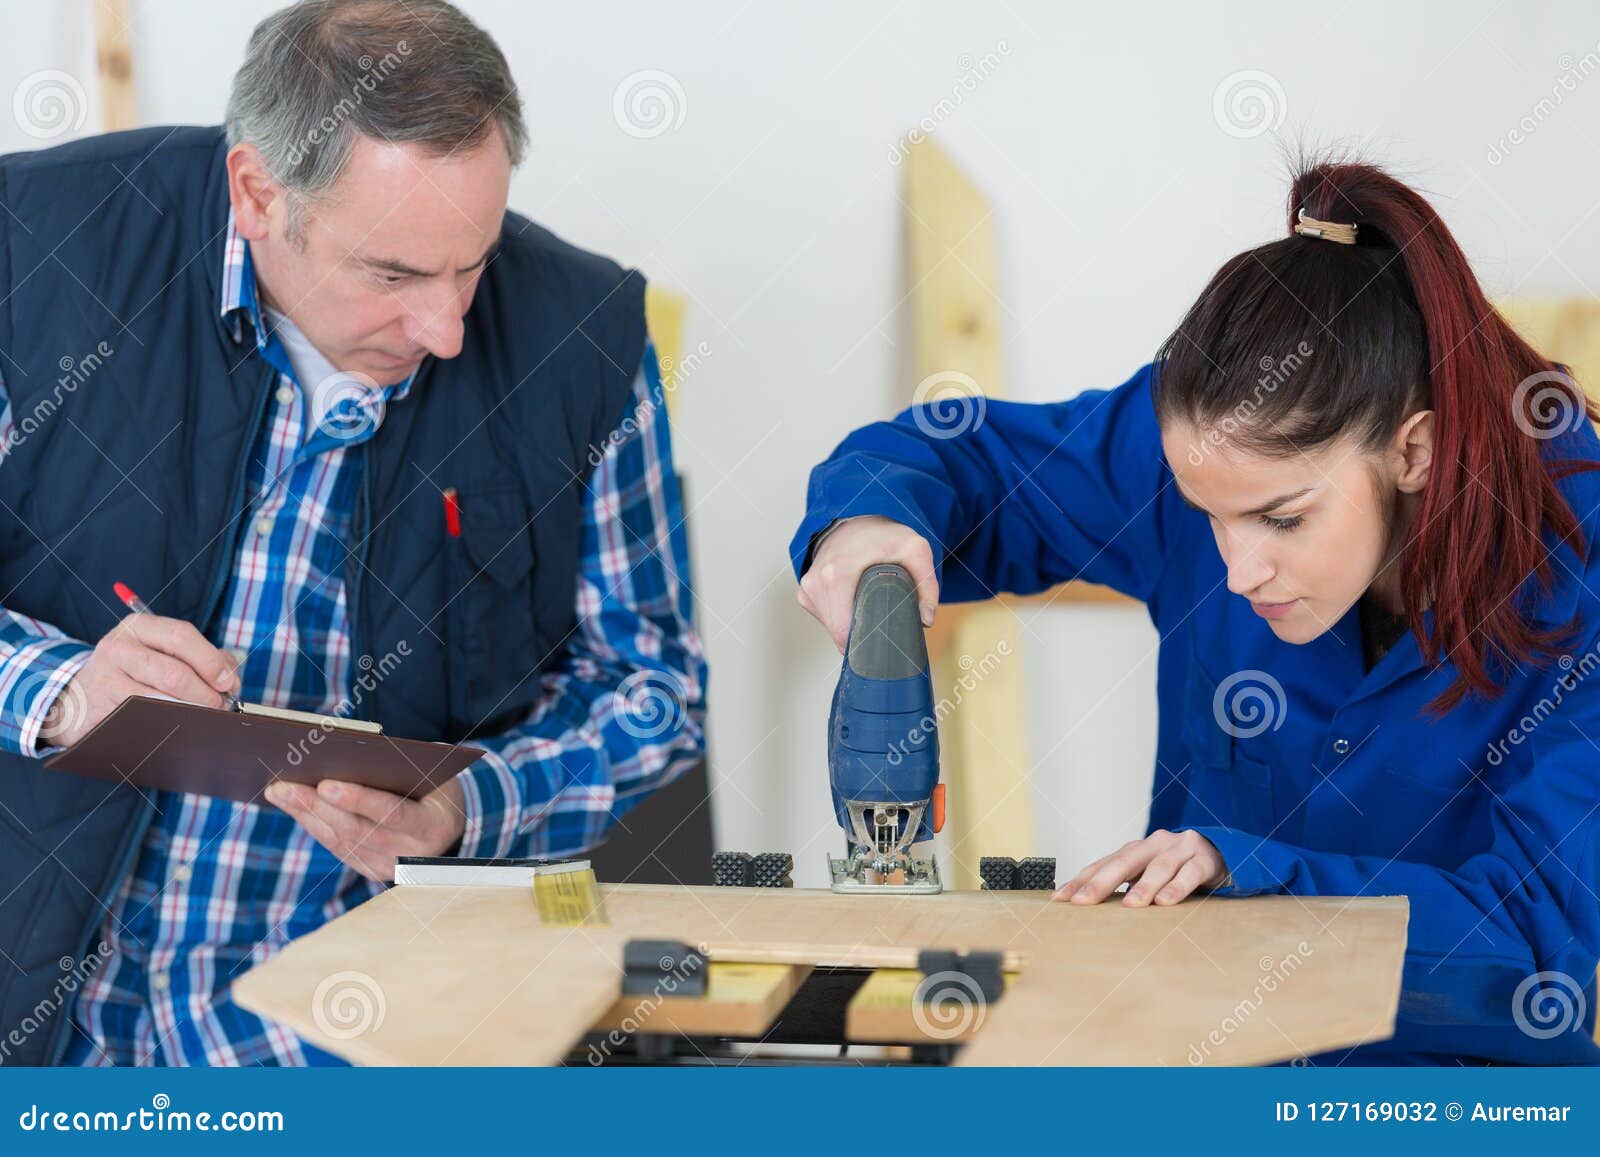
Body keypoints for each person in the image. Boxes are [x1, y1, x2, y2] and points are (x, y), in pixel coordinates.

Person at [0, 0, 705, 1066]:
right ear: (256, 193)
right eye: (394, 274)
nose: (448, 328)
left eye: (472, 263)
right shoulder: (33, 250)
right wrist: (61, 693)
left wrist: (473, 805)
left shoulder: (586, 340)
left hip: (342, 1040)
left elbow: (655, 685)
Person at [791, 157, 1600, 1065]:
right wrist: (866, 521)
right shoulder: (1208, 453)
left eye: (1282, 518)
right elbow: (961, 461)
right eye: (1207, 514)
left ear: (1417, 449)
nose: (1240, 569)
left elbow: (1537, 938)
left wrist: (1247, 873)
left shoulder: (1586, 571)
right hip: (1195, 1069)